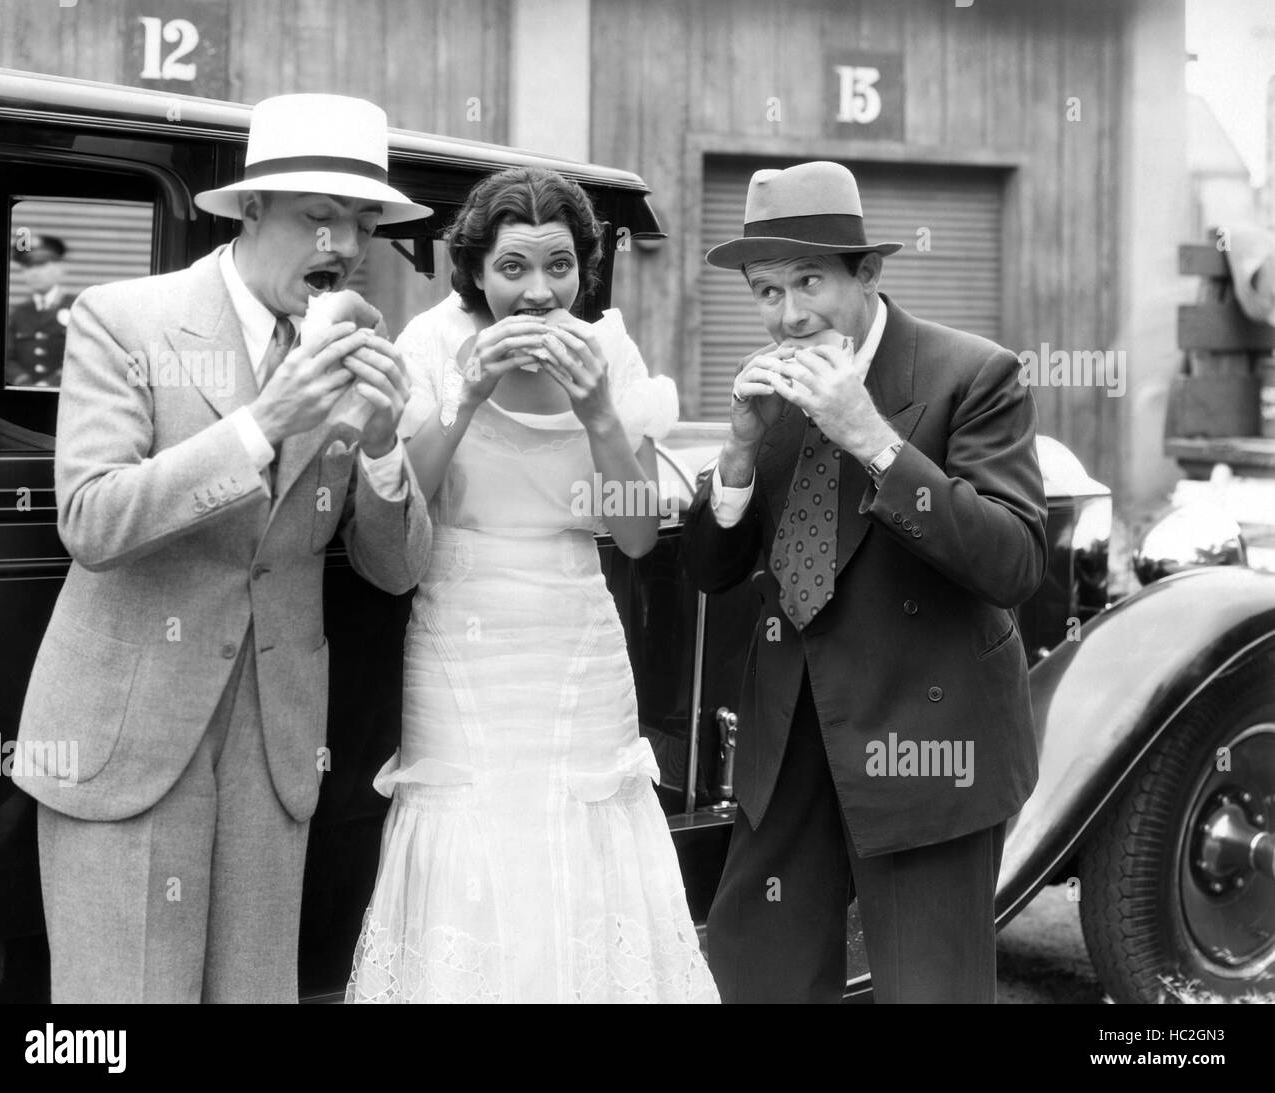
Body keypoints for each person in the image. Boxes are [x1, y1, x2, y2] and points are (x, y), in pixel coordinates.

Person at [12, 94, 434, 1003]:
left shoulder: (358, 345)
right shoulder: (125, 318)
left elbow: (395, 568)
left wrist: (384, 443)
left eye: (361, 223)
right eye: (318, 216)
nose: (344, 245)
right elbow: (90, 519)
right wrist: (260, 424)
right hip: (126, 734)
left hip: (274, 745)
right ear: (251, 211)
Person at [345, 165, 719, 1003]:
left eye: (560, 267)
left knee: (583, 840)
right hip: (459, 640)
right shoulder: (431, 346)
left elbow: (633, 532)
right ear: (475, 268)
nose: (539, 292)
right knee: (466, 837)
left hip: (575, 643)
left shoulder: (609, 352)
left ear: (584, 271)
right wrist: (469, 389)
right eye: (514, 267)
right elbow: (405, 513)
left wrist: (599, 414)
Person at [683, 161, 1047, 1003]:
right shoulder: (770, 392)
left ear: (869, 274)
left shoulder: (975, 374)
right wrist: (736, 453)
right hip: (787, 754)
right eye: (767, 290)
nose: (789, 314)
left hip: (927, 750)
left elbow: (1016, 561)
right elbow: (709, 569)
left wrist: (872, 437)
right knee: (755, 986)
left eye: (810, 280)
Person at [6, 234, 75, 388]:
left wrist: (49, 384)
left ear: (60, 268)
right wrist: (23, 383)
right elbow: (7, 358)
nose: (34, 272)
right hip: (24, 395)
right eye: (28, 267)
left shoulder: (78, 307)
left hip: (65, 394)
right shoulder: (18, 313)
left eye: (42, 265)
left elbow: (84, 357)